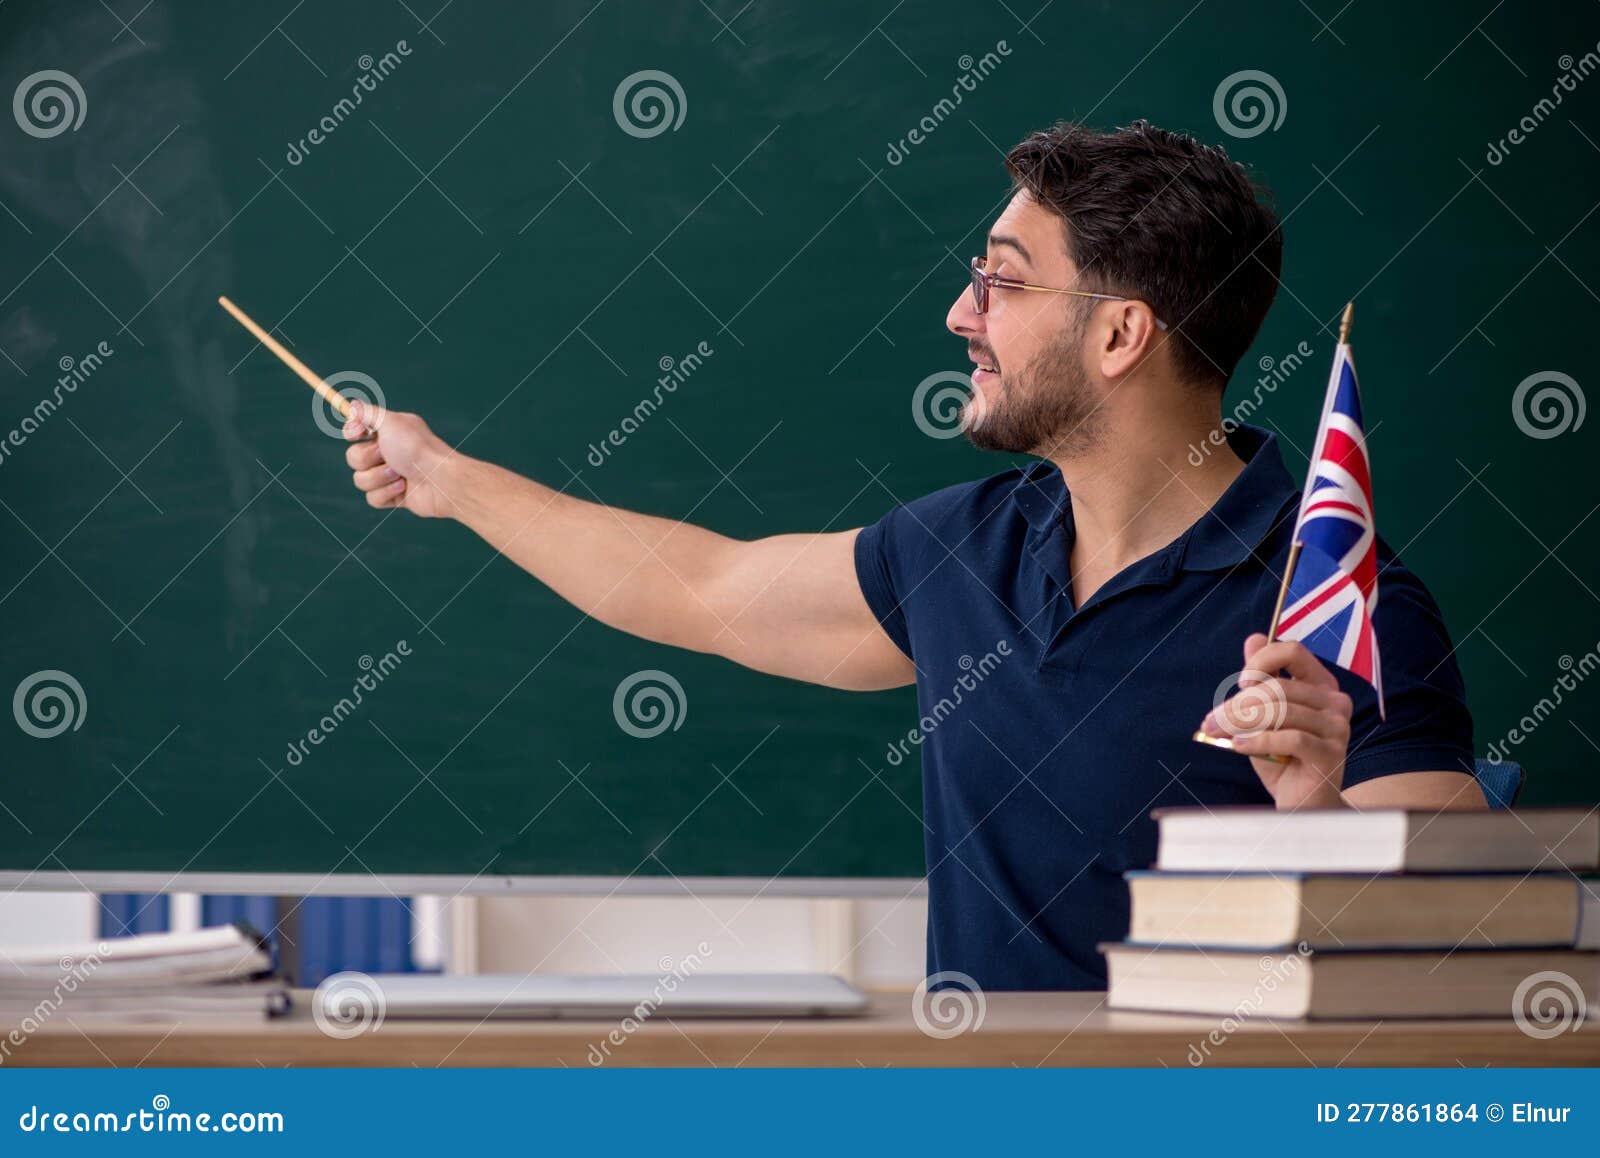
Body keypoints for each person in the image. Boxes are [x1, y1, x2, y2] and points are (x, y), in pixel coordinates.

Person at [341, 121, 1484, 991]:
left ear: (1121, 332)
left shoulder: (1339, 606)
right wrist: (449, 480)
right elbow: (700, 584)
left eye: (1002, 278)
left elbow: (1459, 950)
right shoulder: (963, 550)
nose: (960, 313)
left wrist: (1316, 812)